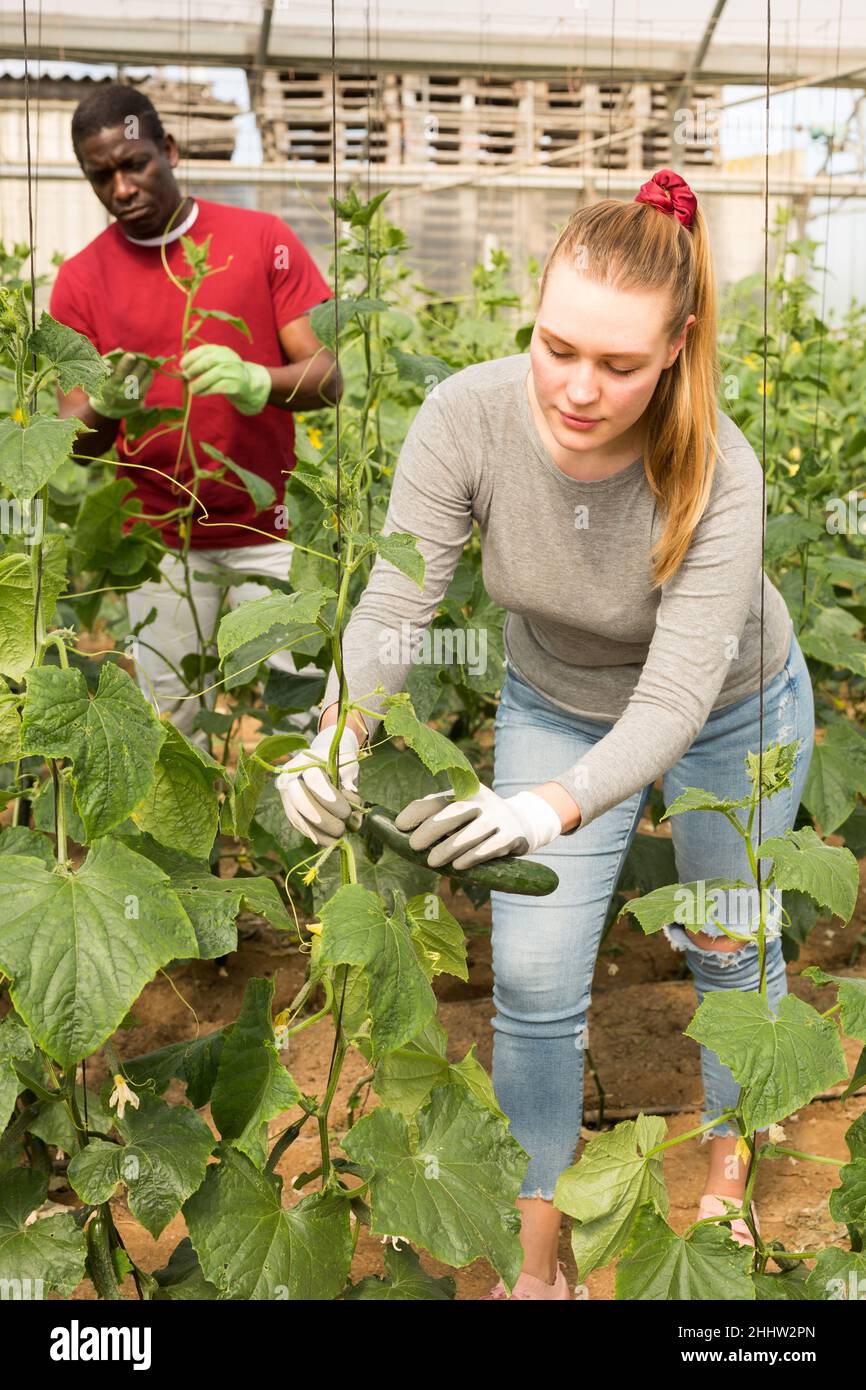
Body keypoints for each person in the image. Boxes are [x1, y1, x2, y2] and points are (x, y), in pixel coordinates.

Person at [276, 169, 815, 1299]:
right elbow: (392, 605)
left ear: (675, 346)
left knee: (725, 942)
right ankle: (536, 1250)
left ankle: (727, 1157)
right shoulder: (466, 416)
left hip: (730, 711)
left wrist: (541, 806)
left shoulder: (721, 470)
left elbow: (670, 700)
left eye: (618, 365)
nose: (576, 388)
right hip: (555, 694)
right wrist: (336, 734)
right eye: (555, 345)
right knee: (528, 974)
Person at [49, 82, 339, 742]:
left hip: (271, 531)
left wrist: (255, 380)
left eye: (135, 164)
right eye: (102, 176)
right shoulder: (81, 282)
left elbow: (328, 377)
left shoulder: (259, 238)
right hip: (160, 542)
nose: (122, 188)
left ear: (169, 149)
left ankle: (298, 844)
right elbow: (76, 444)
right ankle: (191, 850)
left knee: (300, 717)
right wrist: (105, 403)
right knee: (172, 730)